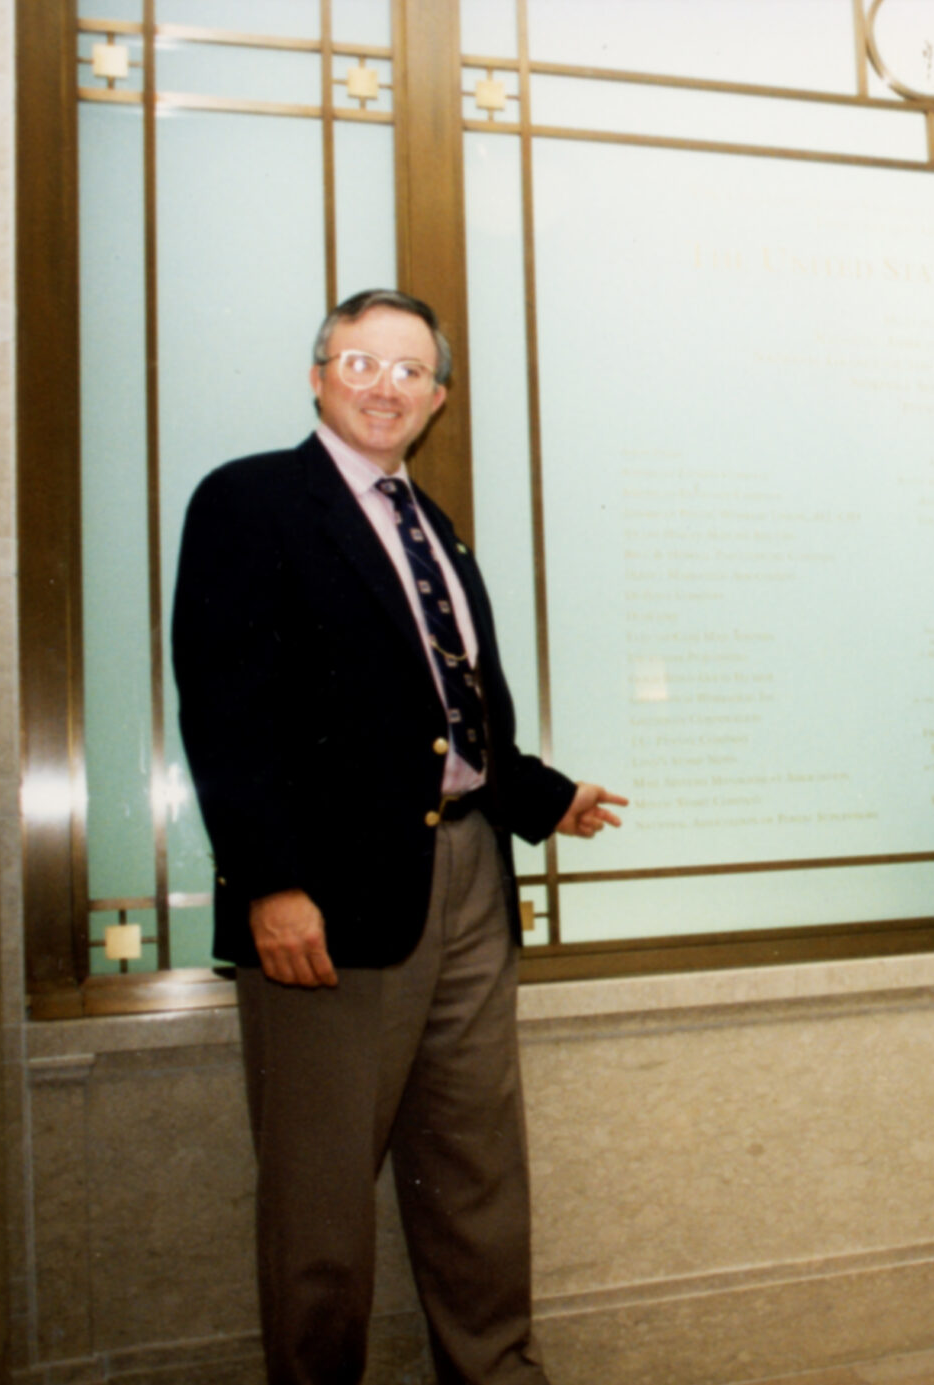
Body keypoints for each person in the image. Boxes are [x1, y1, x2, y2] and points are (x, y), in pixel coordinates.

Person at [173, 288, 627, 1384]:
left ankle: (496, 1372)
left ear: (437, 398)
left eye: (409, 370)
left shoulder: (434, 527)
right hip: (327, 898)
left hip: (469, 873)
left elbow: (451, 720)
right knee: (319, 1190)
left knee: (476, 1164)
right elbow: (227, 710)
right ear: (318, 373)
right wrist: (269, 884)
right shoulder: (252, 500)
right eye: (360, 361)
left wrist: (542, 796)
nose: (385, 385)